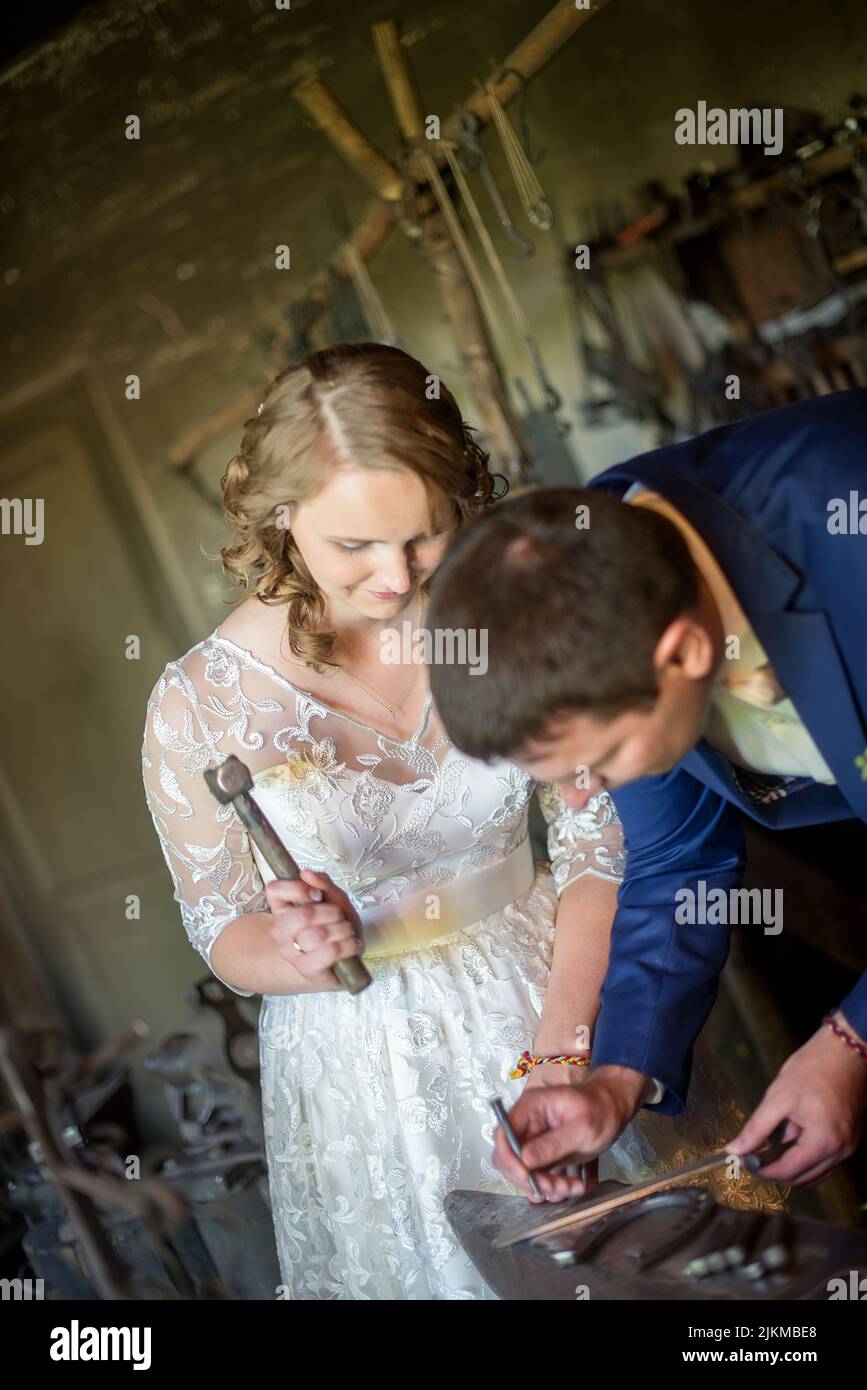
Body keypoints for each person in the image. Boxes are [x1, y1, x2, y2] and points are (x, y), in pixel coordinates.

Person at [141, 343, 777, 1301]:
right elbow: (220, 930)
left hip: (565, 969)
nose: (397, 579)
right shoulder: (196, 705)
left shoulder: (510, 597)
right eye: (354, 547)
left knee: (671, 1281)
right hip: (367, 1060)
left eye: (425, 535)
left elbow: (601, 837)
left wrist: (563, 1052)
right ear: (280, 520)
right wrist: (293, 951)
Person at [426, 388, 867, 1204]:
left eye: (592, 763)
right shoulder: (600, 596)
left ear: (687, 650)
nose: (582, 798)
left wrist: (849, 1043)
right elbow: (674, 856)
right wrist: (613, 1080)